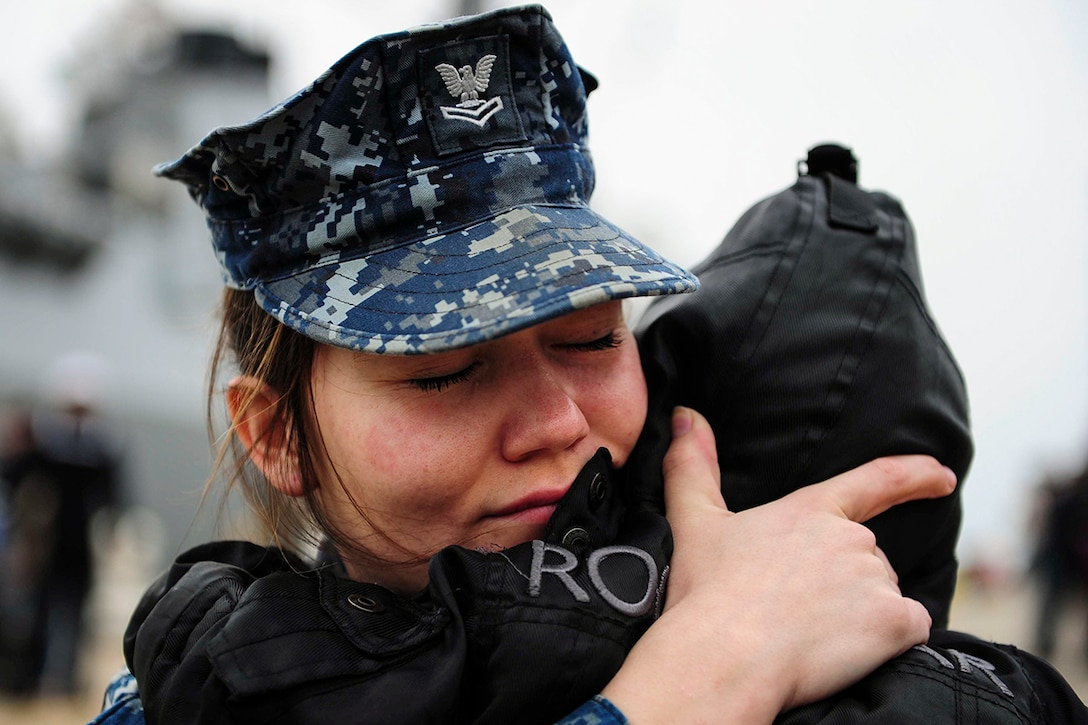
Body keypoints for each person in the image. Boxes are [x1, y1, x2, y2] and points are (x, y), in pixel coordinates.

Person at [92, 5, 1086, 724]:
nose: (560, 422)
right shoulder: (185, 692)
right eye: (442, 368)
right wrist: (688, 686)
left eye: (591, 339)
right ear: (272, 432)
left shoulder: (822, 629)